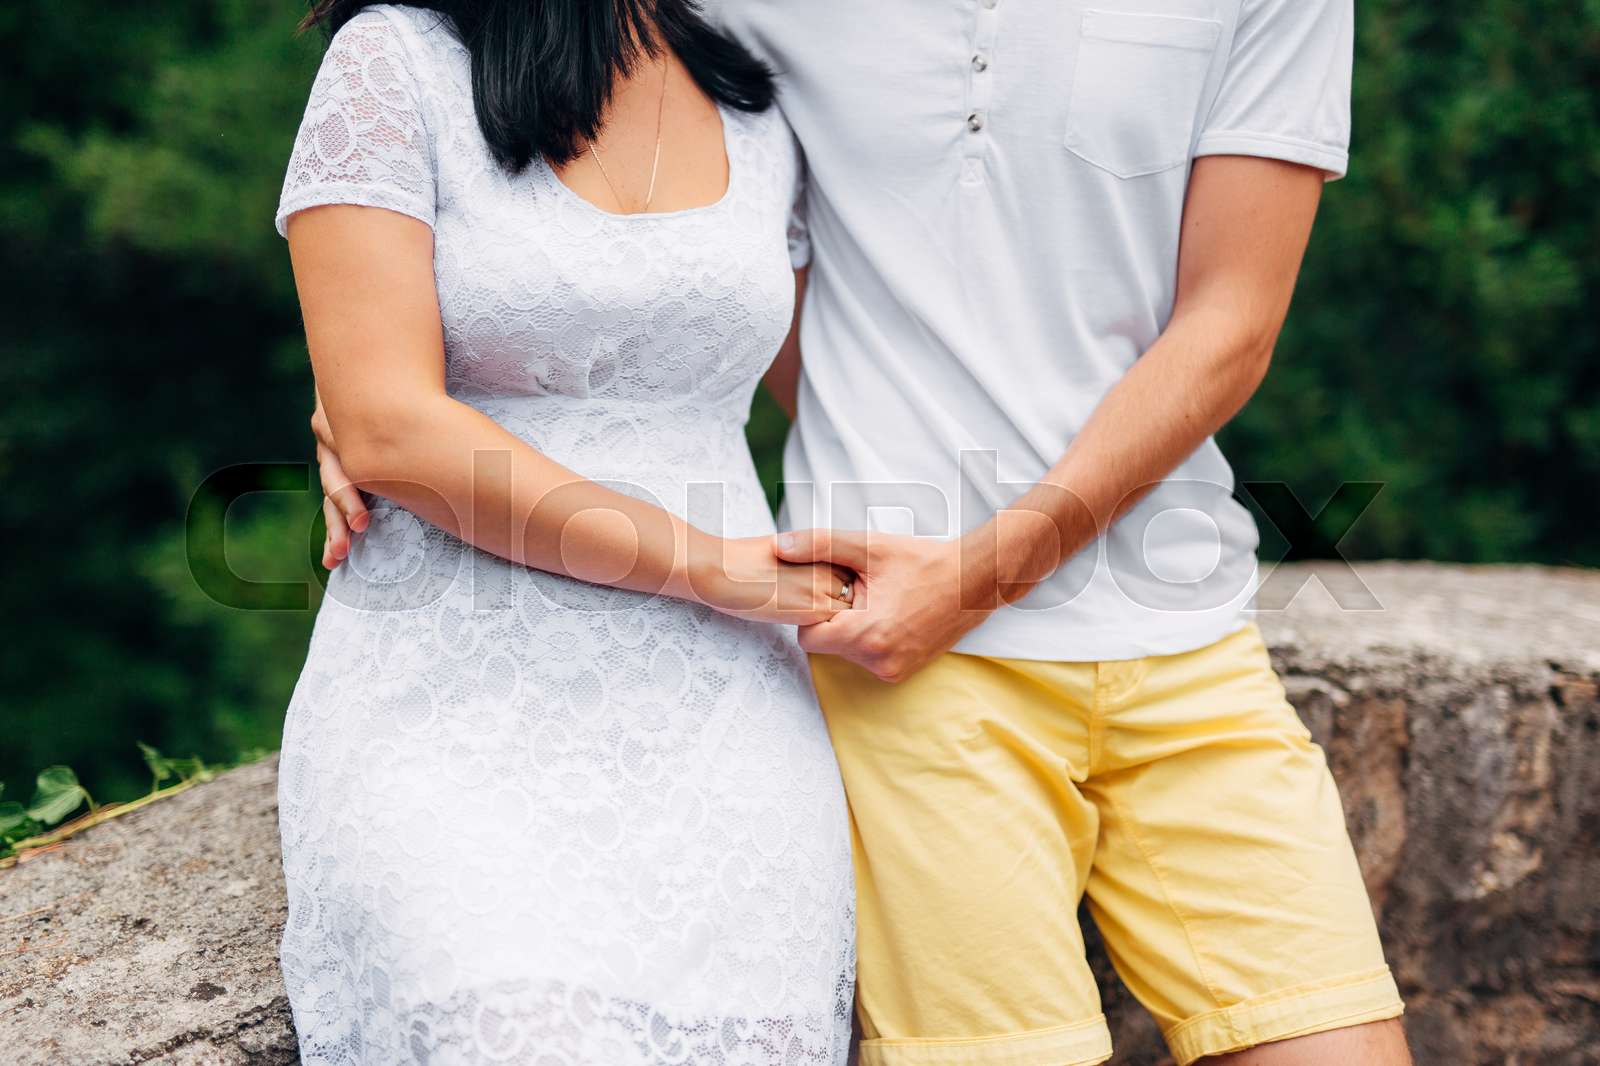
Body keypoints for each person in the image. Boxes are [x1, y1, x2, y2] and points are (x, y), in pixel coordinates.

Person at [319, 0, 1415, 1063]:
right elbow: (566, 256)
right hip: (903, 658)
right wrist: (374, 408)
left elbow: (1231, 323)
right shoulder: (725, 8)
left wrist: (980, 570)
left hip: (1180, 626)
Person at [273, 2, 857, 1063]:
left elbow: (860, 390)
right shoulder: (396, 64)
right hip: (452, 703)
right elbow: (389, 425)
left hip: (727, 720)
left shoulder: (764, 86)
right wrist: (719, 569)